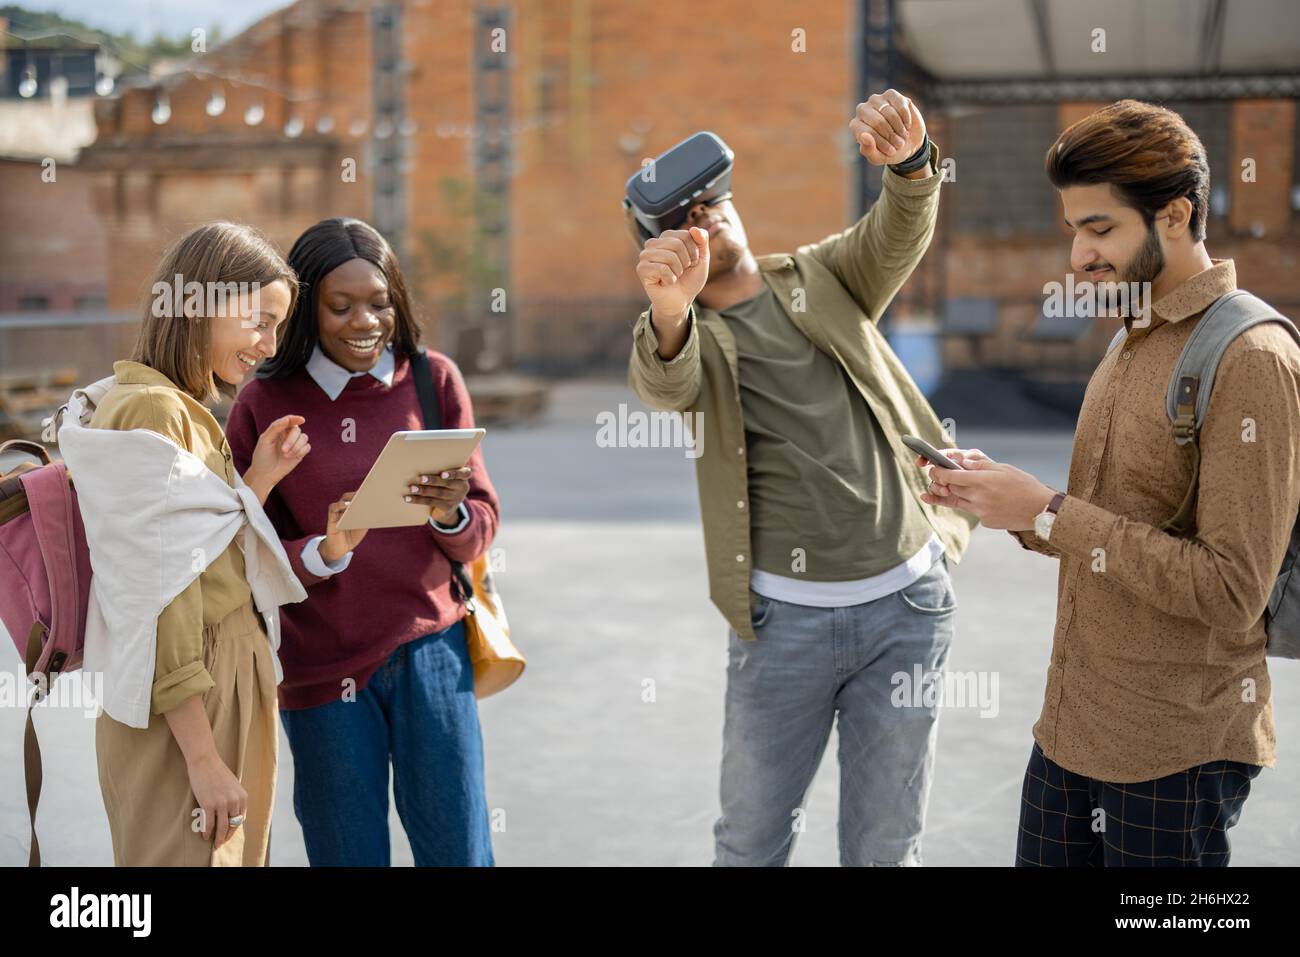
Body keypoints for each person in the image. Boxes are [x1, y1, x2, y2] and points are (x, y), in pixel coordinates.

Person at [921, 100, 1300, 866]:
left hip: (1175, 751)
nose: (1079, 257)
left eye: (1101, 229)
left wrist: (1053, 513)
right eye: (1073, 232)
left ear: (1176, 214)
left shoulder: (1251, 358)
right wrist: (1010, 503)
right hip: (1070, 729)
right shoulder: (1132, 333)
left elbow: (1234, 590)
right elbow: (1108, 525)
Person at [627, 90, 976, 866]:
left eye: (712, 200)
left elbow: (899, 229)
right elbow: (663, 383)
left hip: (908, 607)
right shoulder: (690, 334)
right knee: (750, 840)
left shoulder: (821, 276)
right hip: (783, 626)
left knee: (887, 845)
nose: (705, 216)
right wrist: (668, 311)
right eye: (681, 218)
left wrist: (914, 162)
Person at [226, 217, 499, 867]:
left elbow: (482, 521)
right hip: (323, 670)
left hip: (432, 653)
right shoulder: (264, 401)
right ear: (304, 309)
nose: (364, 321)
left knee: (460, 851)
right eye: (339, 306)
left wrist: (450, 513)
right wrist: (327, 548)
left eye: (379, 303)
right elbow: (241, 547)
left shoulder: (433, 381)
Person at [67, 221, 314, 865]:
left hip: (213, 690)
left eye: (278, 327)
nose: (269, 344)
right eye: (260, 320)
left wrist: (256, 479)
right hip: (193, 705)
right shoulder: (157, 411)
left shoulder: (179, 407)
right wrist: (203, 761)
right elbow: (161, 599)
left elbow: (199, 555)